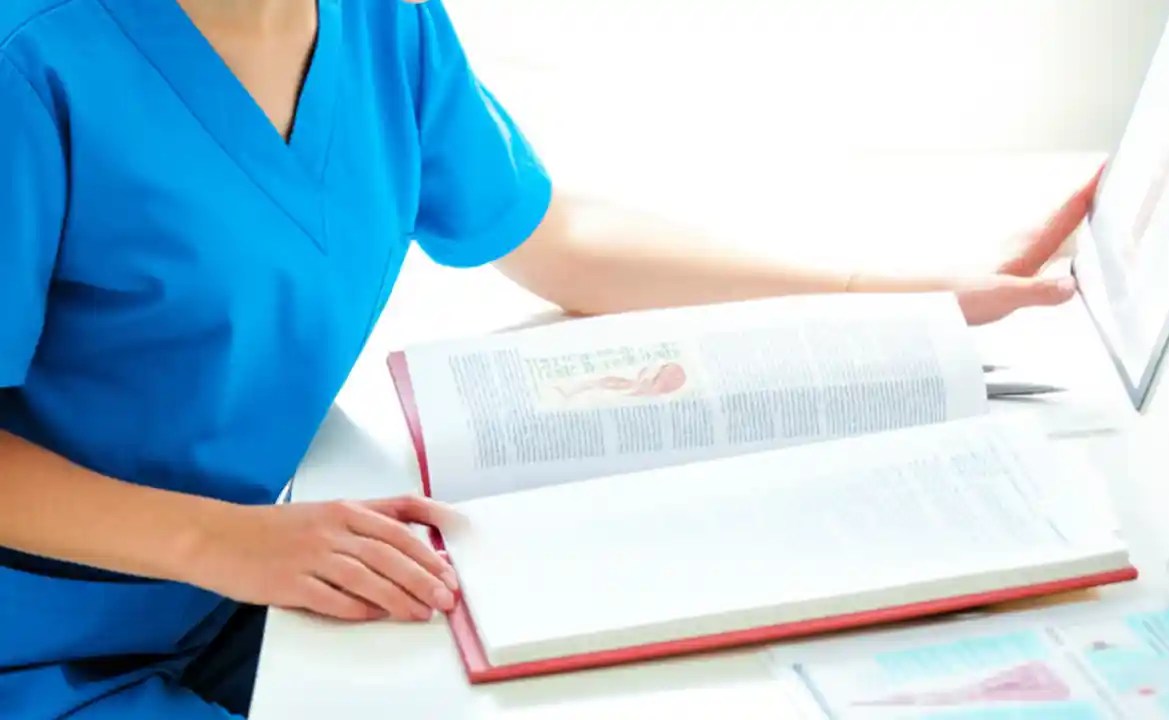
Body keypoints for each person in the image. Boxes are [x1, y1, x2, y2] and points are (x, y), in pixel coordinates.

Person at [0, 0, 1100, 716]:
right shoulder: (30, 57)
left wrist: (899, 294)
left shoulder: (378, 22)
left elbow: (559, 240)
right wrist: (220, 542)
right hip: (47, 649)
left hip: (249, 604)